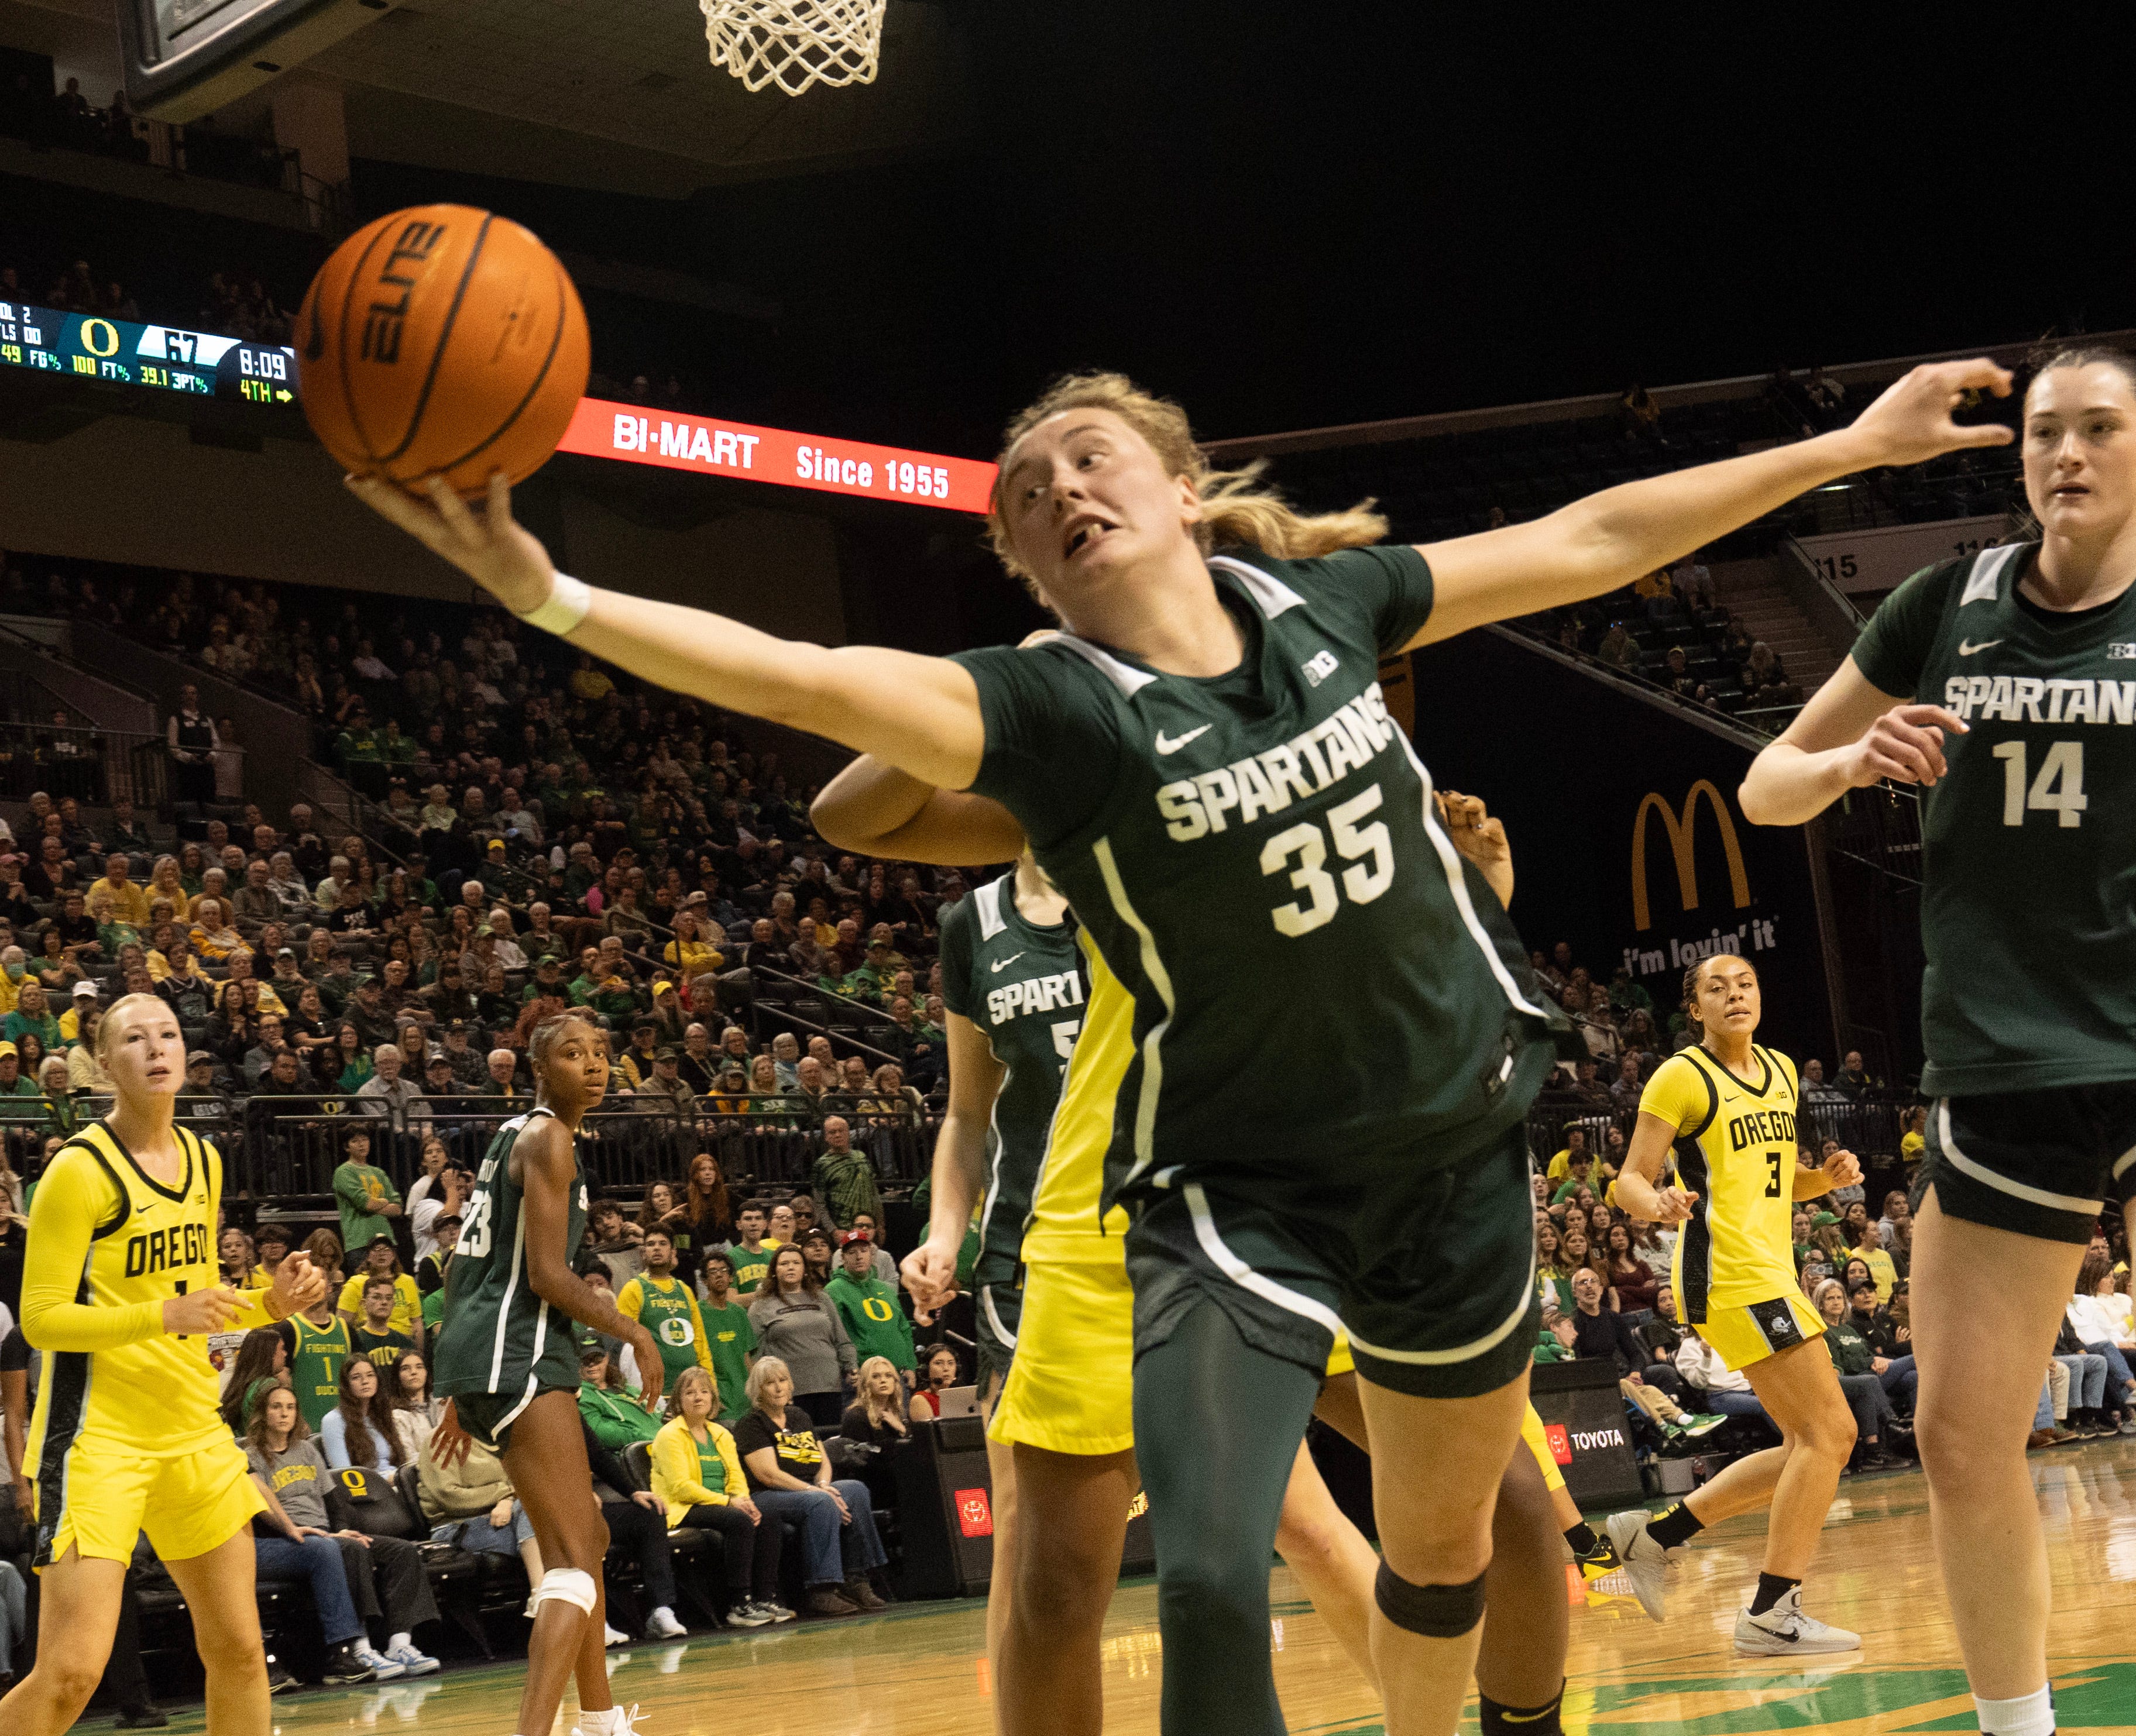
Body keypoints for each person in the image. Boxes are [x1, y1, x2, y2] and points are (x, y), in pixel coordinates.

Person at [354, 353, 2002, 1736]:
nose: (1062, 485)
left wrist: (1850, 445)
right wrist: (548, 586)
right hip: (1226, 1188)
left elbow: (1587, 534)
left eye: (1092, 454)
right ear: (1027, 567)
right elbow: (806, 683)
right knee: (1205, 1573)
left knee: (1479, 1537)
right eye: (1026, 494)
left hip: (1440, 1154)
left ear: (1181, 479)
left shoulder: (1327, 603)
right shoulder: (1053, 714)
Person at [1736, 343, 2136, 1736]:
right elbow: (1763, 783)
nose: (2065, 453)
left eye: (2097, 427)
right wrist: (1849, 759)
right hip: (2008, 1057)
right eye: (2042, 432)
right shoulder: (1940, 606)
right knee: (1966, 1435)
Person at [0, 992, 328, 1736]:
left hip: (191, 1432)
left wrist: (269, 1304)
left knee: (242, 1652)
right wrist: (162, 1316)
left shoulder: (204, 1160)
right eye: (135, 1039)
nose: (157, 1049)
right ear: (106, 1064)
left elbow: (196, 1302)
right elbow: (44, 1318)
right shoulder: (77, 1172)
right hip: (95, 1442)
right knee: (69, 1676)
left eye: (169, 1035)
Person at [1609, 953, 1869, 1655]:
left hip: (1772, 1271)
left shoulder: (1783, 1072)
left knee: (1804, 1444)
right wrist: (1657, 1204)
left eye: (1745, 983)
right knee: (1831, 1433)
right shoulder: (1681, 1076)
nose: (1734, 996)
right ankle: (1770, 1612)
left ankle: (1654, 1537)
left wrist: (1827, 1177)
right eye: (1715, 989)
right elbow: (1624, 1181)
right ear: (1692, 1009)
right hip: (1723, 1273)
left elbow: (1778, 1187)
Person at [426, 1011, 664, 1736]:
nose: (592, 1065)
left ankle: (599, 1721)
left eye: (601, 1051)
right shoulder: (550, 1138)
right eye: (571, 1053)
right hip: (522, 1354)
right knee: (572, 1553)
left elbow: (470, 1270)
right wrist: (634, 1332)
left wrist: (462, 1387)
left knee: (583, 1535)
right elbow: (547, 1275)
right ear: (537, 1068)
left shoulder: (511, 1138)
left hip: (487, 1356)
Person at [731, 1356, 888, 1615]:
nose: (779, 1388)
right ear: (758, 1390)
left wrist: (824, 1484)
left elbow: (822, 1459)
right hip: (768, 1495)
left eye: (783, 1381)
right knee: (821, 1502)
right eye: (770, 1383)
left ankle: (856, 1578)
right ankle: (822, 1589)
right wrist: (816, 1491)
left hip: (809, 1489)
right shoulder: (751, 1424)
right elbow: (768, 1474)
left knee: (855, 1489)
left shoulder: (798, 1416)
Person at [650, 1366, 787, 1627]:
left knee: (768, 1515)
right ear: (678, 1401)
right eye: (690, 1393)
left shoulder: (721, 1433)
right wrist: (729, 1502)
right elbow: (681, 1488)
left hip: (725, 1503)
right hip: (682, 1507)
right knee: (738, 1520)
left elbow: (736, 1476)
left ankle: (766, 1597)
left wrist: (744, 1500)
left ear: (713, 1399)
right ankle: (739, 1603)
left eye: (704, 1392)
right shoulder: (669, 1435)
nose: (698, 1397)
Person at [748, 1245, 856, 1426]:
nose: (791, 1267)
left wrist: (851, 1366)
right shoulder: (761, 1306)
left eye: (796, 1263)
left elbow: (842, 1339)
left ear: (805, 1269)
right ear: (774, 1270)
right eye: (784, 1263)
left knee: (830, 1440)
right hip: (788, 1391)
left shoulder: (822, 1299)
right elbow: (756, 1354)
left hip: (829, 1384)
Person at [616, 1228, 712, 1397]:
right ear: (643, 1253)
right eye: (651, 1244)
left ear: (673, 1252)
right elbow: (625, 1343)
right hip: (653, 1392)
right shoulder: (633, 1289)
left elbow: (700, 1341)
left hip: (689, 1392)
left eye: (663, 1244)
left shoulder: (685, 1290)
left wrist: (710, 1383)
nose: (657, 1248)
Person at [825, 1233, 918, 1381]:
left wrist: (910, 1366)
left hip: (897, 1374)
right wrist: (849, 1368)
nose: (859, 1257)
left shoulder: (886, 1289)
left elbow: (904, 1328)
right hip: (863, 1377)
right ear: (842, 1258)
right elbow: (834, 1336)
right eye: (852, 1252)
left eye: (863, 1251)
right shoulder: (834, 1290)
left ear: (872, 1255)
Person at [696, 1250, 757, 1421]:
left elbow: (747, 1359)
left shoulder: (739, 1313)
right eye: (713, 1272)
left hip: (745, 1403)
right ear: (704, 1281)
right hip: (719, 1404)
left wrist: (756, 1395)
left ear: (731, 1278)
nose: (719, 1275)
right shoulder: (697, 1312)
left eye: (724, 1271)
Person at [332, 1129, 403, 1254]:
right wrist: (385, 1201)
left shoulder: (379, 1173)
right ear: (346, 1147)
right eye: (355, 1141)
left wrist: (373, 1205)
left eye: (365, 1140)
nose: (361, 1144)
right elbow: (367, 1203)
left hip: (387, 1241)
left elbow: (397, 1209)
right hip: (360, 1243)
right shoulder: (343, 1172)